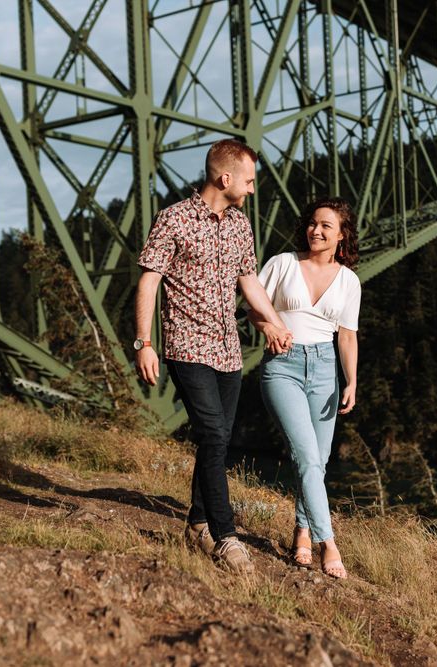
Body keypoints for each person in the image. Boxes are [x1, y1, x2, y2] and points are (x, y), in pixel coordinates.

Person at [134, 139, 293, 574]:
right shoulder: (174, 219)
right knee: (214, 434)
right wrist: (143, 343)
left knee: (216, 439)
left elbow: (250, 283)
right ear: (225, 179)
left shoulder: (241, 225)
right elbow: (149, 280)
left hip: (228, 350)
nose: (252, 189)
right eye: (249, 181)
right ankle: (225, 536)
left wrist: (273, 323)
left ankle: (197, 522)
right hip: (186, 346)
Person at [249, 197, 361, 579]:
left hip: (326, 369)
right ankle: (328, 544)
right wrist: (268, 327)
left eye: (326, 225)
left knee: (319, 459)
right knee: (307, 457)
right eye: (313, 223)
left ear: (342, 234)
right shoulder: (282, 264)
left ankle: (301, 531)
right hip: (283, 367)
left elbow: (347, 336)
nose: (316, 230)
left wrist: (352, 381)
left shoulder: (349, 280)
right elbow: (253, 305)